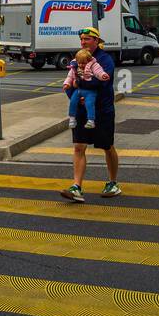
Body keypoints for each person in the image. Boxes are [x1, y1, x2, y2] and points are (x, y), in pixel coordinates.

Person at [60, 27, 122, 203]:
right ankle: (76, 187)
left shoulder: (105, 60)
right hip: (81, 111)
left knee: (107, 146)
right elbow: (69, 80)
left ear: (96, 40)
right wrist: (73, 96)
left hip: (102, 110)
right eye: (81, 39)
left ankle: (112, 183)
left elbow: (100, 82)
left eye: (87, 39)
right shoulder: (77, 59)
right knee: (79, 146)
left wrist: (80, 86)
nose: (83, 42)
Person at [63, 48, 105, 129]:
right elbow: (69, 77)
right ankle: (72, 118)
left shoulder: (93, 66)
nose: (81, 65)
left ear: (89, 61)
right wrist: (67, 84)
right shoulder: (74, 68)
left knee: (89, 104)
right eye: (79, 63)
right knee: (73, 102)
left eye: (84, 63)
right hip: (78, 90)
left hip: (90, 91)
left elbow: (98, 72)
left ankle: (91, 120)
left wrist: (103, 75)